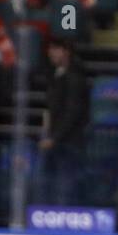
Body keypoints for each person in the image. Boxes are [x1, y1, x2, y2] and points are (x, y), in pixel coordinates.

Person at [38, 37, 88, 205]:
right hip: (54, 140)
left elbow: (72, 113)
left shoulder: (74, 77)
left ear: (66, 51)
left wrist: (54, 138)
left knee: (65, 189)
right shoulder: (56, 75)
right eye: (50, 48)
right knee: (48, 187)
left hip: (69, 143)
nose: (50, 52)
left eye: (55, 48)